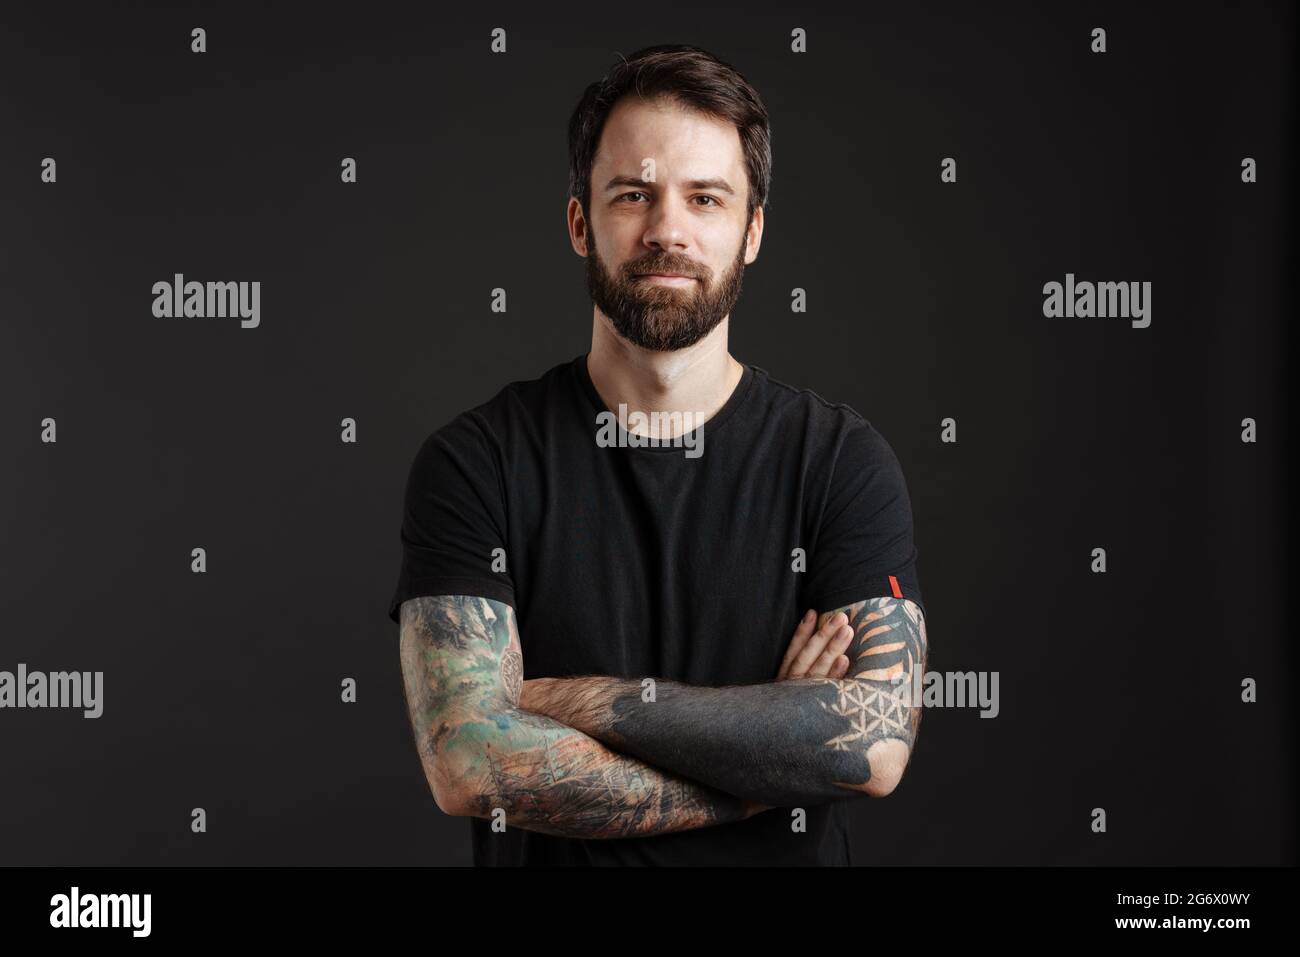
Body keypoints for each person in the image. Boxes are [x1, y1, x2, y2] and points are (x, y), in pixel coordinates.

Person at [390, 44, 928, 866]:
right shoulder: (475, 463)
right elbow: (470, 765)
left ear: (751, 233)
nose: (667, 230)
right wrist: (772, 749)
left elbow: (875, 747)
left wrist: (577, 700)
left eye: (705, 199)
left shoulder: (840, 463)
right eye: (633, 194)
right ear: (580, 222)